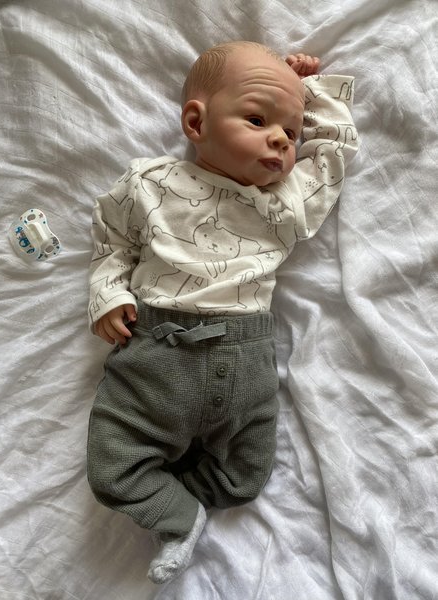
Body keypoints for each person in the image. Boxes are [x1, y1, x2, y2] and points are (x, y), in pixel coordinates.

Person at [86, 41, 358, 584]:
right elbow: (112, 242)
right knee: (111, 470)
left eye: (290, 132)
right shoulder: (151, 183)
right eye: (258, 120)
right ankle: (176, 513)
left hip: (244, 359)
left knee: (245, 477)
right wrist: (109, 294)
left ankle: (187, 498)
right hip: (154, 353)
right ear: (196, 122)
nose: (281, 139)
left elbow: (332, 155)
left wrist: (311, 93)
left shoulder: (284, 200)